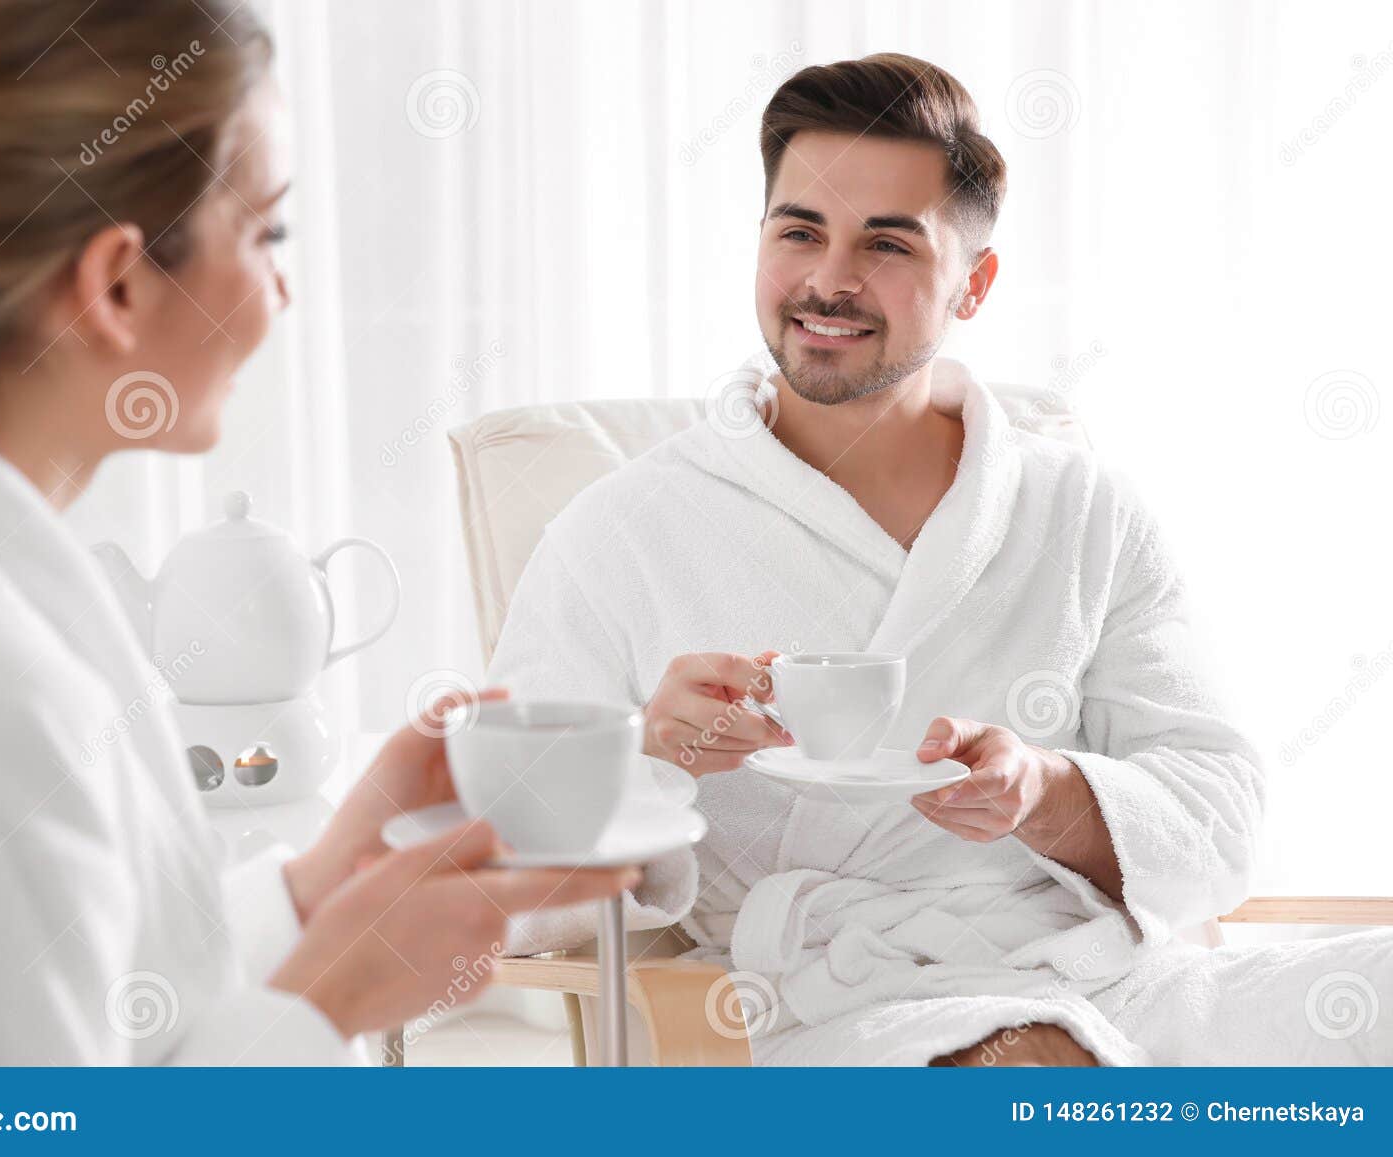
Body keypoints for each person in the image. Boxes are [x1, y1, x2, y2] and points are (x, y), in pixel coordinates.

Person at [488, 54, 1393, 1065]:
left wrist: (1047, 792)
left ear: (974, 283)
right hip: (846, 1012)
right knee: (1035, 1074)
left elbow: (1223, 814)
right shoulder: (621, 530)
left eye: (885, 243)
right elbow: (504, 864)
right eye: (799, 232)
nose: (828, 279)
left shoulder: (1079, 506)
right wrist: (649, 752)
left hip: (1122, 977)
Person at [0, 0, 633, 1066]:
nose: (284, 288)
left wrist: (310, 889)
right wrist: (329, 1001)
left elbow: (64, 994)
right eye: (266, 230)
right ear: (115, 284)